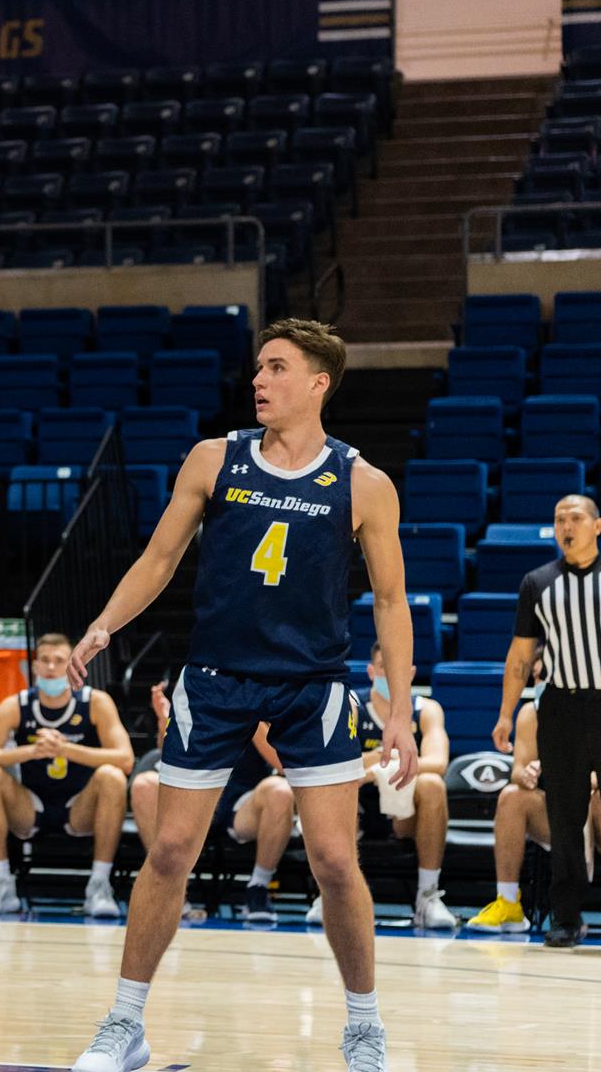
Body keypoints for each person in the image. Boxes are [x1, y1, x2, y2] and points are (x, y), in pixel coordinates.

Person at [68, 319, 418, 1072]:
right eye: (258, 367)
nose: (259, 380)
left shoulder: (363, 481)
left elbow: (391, 600)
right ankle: (125, 1023)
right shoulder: (213, 458)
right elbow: (159, 558)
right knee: (169, 849)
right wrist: (102, 624)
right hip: (217, 679)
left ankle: (364, 1027)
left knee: (332, 858)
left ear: (319, 382)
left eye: (277, 367)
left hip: (313, 684)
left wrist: (396, 710)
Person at [493, 492, 601, 948]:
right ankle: (566, 916)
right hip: (561, 706)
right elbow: (520, 656)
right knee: (564, 811)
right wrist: (505, 714)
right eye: (559, 519)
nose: (565, 525)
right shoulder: (537, 582)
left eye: (575, 517)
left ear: (597, 525)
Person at [0, 634, 133, 919]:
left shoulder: (96, 702)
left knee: (112, 776)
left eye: (60, 661)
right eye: (45, 660)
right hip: (31, 806)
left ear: (74, 665)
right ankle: (2, 884)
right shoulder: (15, 705)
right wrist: (32, 752)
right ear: (34, 667)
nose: (52, 667)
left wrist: (64, 749)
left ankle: (99, 885)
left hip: (80, 806)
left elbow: (125, 759)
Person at [299, 642, 454, 928]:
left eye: (397, 667)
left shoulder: (427, 710)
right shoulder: (354, 707)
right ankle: (329, 895)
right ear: (371, 671)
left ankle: (428, 897)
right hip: (359, 806)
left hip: (403, 812)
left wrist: (384, 764)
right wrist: (382, 761)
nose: (390, 673)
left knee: (432, 784)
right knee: (334, 785)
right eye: (384, 667)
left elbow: (438, 762)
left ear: (411, 672)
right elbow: (334, 763)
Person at [131, 684, 294, 926]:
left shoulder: (260, 692)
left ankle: (258, 888)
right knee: (144, 784)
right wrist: (165, 722)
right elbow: (167, 755)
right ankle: (169, 888)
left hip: (238, 803)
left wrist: (253, 717)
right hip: (191, 801)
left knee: (280, 791)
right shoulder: (195, 685)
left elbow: (282, 765)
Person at [466, 681, 601, 931]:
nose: (543, 683)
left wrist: (579, 776)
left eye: (546, 676)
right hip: (556, 812)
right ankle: (508, 905)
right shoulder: (532, 712)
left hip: (594, 809)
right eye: (538, 677)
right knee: (511, 796)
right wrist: (527, 774)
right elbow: (517, 770)